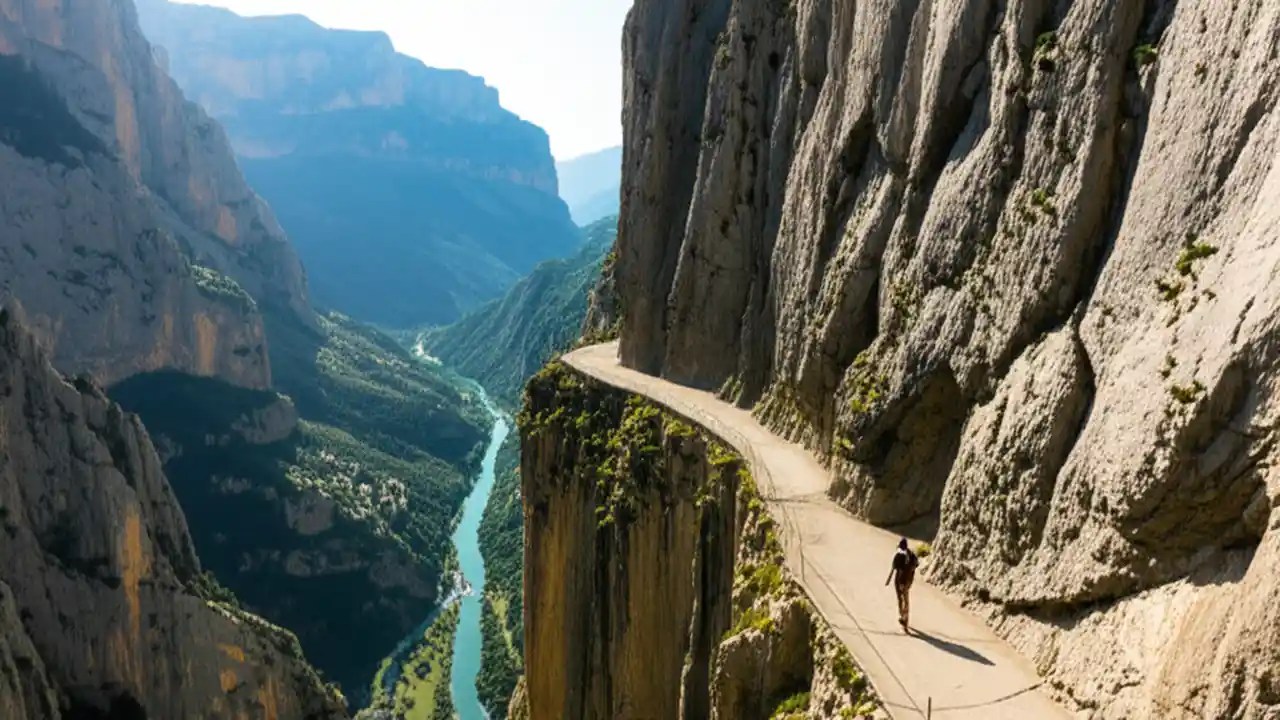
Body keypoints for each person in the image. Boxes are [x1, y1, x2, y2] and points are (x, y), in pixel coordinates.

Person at [885, 538, 918, 631]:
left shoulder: (899, 555)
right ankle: (905, 619)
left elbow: (895, 569)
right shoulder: (912, 555)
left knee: (901, 599)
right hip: (909, 580)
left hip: (901, 580)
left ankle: (903, 617)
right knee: (906, 599)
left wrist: (890, 580)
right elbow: (915, 566)